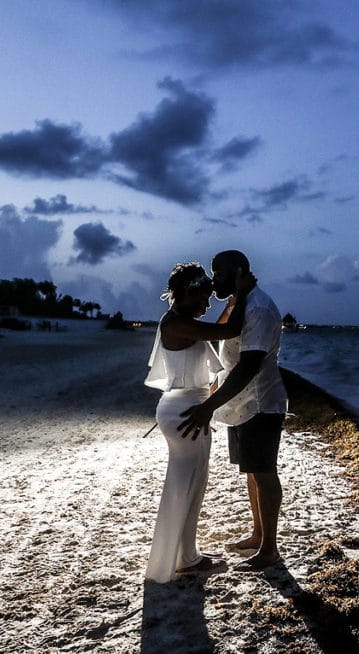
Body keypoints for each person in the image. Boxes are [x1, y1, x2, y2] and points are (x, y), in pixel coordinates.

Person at [144, 262, 253, 584]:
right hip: (185, 411)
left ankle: (183, 555)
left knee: (191, 485)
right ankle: (185, 558)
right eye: (204, 299)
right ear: (189, 294)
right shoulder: (177, 323)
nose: (207, 306)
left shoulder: (182, 321)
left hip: (187, 407)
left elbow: (213, 329)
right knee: (186, 486)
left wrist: (231, 305)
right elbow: (228, 331)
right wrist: (243, 295)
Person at [179, 250, 288, 571]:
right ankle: (258, 535)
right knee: (252, 471)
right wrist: (234, 297)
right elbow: (223, 333)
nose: (213, 282)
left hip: (260, 402)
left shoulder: (260, 309)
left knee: (265, 472)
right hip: (240, 403)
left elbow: (248, 367)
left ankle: (270, 549)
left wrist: (207, 407)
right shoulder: (242, 305)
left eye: (219, 274)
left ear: (238, 271)